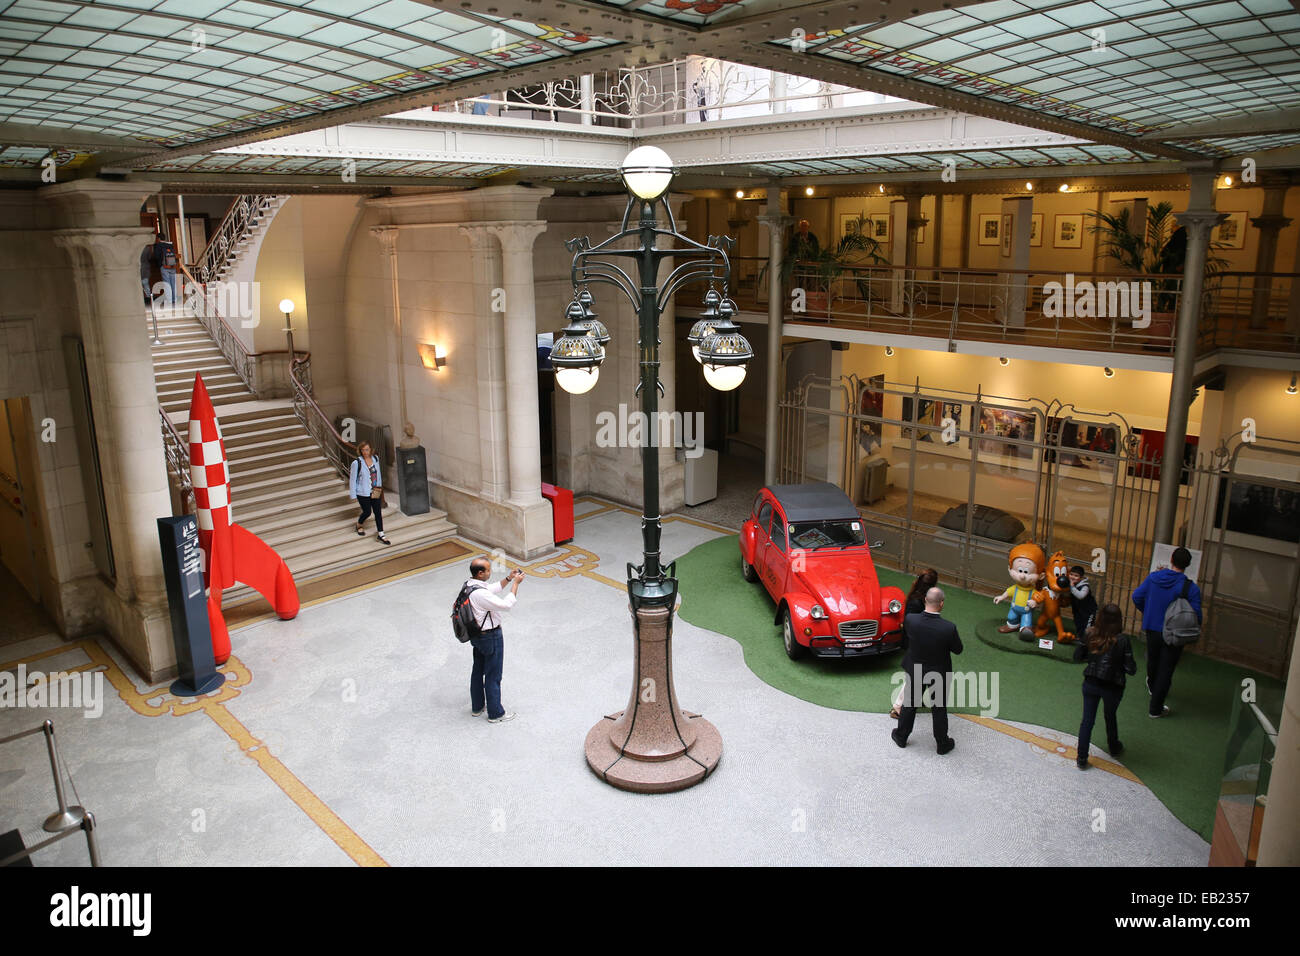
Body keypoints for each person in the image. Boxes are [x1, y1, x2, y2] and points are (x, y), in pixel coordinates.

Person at [891, 587, 962, 755]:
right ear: (942, 603)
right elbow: (958, 649)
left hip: (915, 668)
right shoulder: (948, 628)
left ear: (925, 601)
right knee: (939, 708)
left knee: (910, 703)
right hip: (938, 672)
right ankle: (942, 743)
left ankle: (901, 737)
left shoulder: (911, 620)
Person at [1132, 546, 1201, 718]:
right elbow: (1197, 615)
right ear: (1188, 565)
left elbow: (1136, 596)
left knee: (1153, 661)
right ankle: (1155, 708)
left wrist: (1147, 612)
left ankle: (1152, 685)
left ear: (1171, 559)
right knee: (1167, 668)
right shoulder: (1190, 588)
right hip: (1174, 633)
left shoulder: (1154, 578)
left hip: (1152, 627)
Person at [1072, 603, 1136, 769]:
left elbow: (1078, 657)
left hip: (1091, 682)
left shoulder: (1090, 633)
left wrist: (1086, 645)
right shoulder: (1123, 640)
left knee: (1087, 721)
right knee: (1110, 715)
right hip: (1112, 686)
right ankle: (1114, 746)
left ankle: (1081, 758)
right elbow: (1131, 669)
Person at [465, 556, 525, 723]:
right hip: (491, 636)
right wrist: (515, 585)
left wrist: (508, 578)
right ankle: (496, 713)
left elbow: (490, 589)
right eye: (488, 570)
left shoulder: (469, 585)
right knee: (493, 675)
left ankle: (477, 707)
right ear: (480, 573)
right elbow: (506, 605)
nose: (490, 572)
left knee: (478, 670)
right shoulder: (481, 595)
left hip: (476, 635)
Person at [890, 568, 938, 719]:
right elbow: (912, 624)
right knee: (912, 677)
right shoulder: (917, 602)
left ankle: (911, 701)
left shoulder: (919, 598)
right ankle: (898, 708)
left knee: (920, 675)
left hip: (918, 643)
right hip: (917, 644)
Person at [348, 441, 392, 546]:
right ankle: (359, 524)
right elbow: (353, 480)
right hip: (363, 492)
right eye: (363, 450)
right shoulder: (356, 463)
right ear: (360, 451)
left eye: (367, 449)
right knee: (367, 512)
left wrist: (380, 487)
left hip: (375, 490)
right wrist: (353, 495)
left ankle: (381, 534)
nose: (365, 452)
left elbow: (378, 474)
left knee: (378, 512)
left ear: (370, 449)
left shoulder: (375, 458)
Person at [1066, 565, 1098, 638]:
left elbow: (1080, 596)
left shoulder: (1085, 586)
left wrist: (1071, 587)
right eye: (1071, 574)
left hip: (1088, 610)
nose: (1073, 577)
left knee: (1087, 626)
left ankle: (1088, 640)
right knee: (1078, 623)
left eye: (1076, 576)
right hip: (1078, 609)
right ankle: (1080, 638)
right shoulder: (1070, 583)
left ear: (1081, 578)